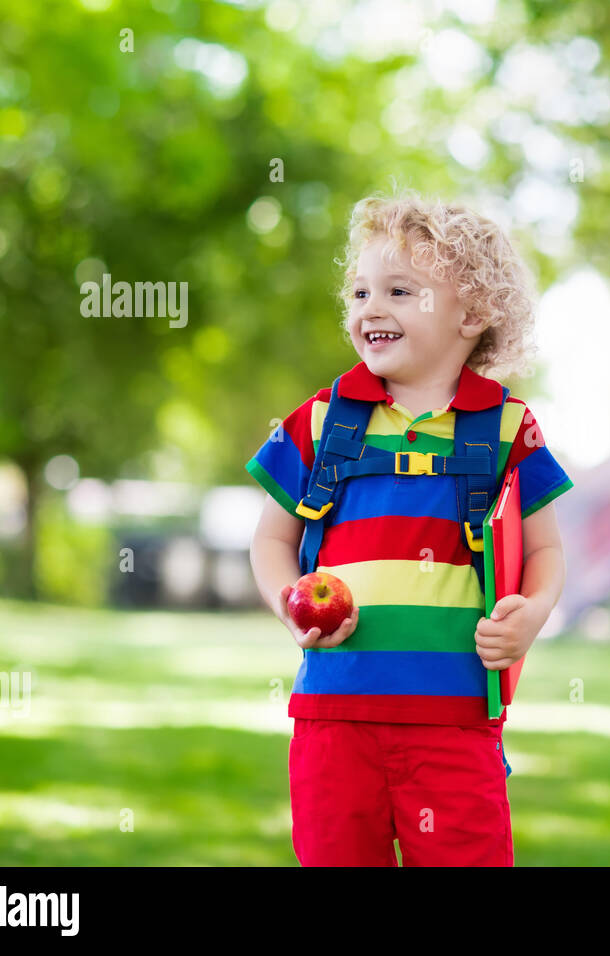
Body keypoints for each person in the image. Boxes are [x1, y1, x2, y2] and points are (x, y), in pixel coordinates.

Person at [246, 191, 573, 866]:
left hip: (455, 726)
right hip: (333, 721)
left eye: (400, 290)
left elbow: (545, 549)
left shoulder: (508, 427)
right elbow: (271, 540)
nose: (371, 307)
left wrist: (533, 611)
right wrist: (289, 604)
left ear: (472, 313)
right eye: (360, 291)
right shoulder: (321, 421)